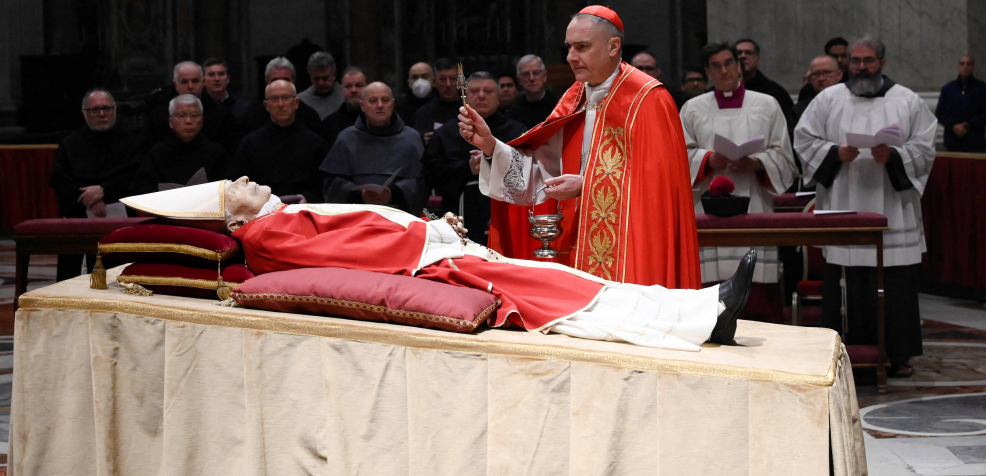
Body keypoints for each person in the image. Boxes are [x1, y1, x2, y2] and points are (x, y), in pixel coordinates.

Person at [119, 180, 758, 350]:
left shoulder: (278, 215)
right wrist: (430, 239)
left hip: (432, 252)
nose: (247, 181)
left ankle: (702, 308)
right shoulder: (267, 234)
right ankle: (703, 315)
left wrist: (428, 230)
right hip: (430, 268)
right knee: (560, 292)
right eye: (236, 186)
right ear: (230, 217)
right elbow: (347, 254)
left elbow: (362, 227)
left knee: (566, 282)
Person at [458, 6, 700, 288]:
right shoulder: (576, 97)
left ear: (613, 46)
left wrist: (586, 185)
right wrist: (490, 146)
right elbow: (541, 172)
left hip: (632, 253)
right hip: (574, 247)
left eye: (582, 47)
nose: (571, 57)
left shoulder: (647, 98)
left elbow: (659, 189)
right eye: (569, 47)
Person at [794, 37, 937, 377]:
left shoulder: (907, 100)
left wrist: (895, 156)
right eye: (856, 61)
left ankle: (897, 355)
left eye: (869, 60)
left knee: (895, 284)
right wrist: (834, 153)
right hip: (844, 203)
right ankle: (842, 357)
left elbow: (925, 146)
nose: (861, 67)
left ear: (882, 63)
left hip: (892, 209)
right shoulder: (829, 99)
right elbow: (804, 139)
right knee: (849, 282)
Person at [681, 43, 797, 319]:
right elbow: (677, 155)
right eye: (716, 66)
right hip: (707, 204)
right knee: (711, 291)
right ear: (708, 72)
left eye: (729, 63)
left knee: (756, 292)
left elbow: (785, 155)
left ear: (739, 66)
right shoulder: (692, 108)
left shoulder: (766, 104)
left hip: (754, 200)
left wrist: (757, 163)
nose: (725, 70)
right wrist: (706, 159)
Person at [50, 88, 145, 280]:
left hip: (119, 220)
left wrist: (104, 191)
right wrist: (88, 200)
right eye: (95, 110)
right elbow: (60, 180)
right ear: (84, 113)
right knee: (71, 279)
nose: (102, 114)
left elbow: (136, 178)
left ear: (115, 110)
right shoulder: (69, 144)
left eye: (107, 108)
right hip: (78, 220)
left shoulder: (134, 143)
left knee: (117, 279)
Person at [422, 72, 526, 243]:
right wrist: (467, 168)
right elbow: (429, 174)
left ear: (498, 96)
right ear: (465, 96)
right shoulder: (445, 133)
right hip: (458, 213)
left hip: (505, 210)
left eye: (488, 91)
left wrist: (494, 160)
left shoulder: (517, 131)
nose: (481, 95)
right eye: (475, 91)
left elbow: (528, 170)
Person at [321, 82, 427, 214]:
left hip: (401, 216)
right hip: (355, 216)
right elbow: (331, 185)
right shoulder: (346, 138)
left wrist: (393, 194)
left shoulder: (411, 138)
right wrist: (360, 195)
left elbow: (423, 184)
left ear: (393, 104)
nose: (380, 105)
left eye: (385, 100)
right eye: (373, 101)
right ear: (362, 106)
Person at [232, 79, 328, 203]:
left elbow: (324, 185)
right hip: (262, 211)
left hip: (304, 209)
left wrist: (308, 198)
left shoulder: (316, 144)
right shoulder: (249, 144)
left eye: (286, 98)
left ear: (296, 103)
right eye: (275, 99)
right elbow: (240, 187)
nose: (281, 104)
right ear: (266, 106)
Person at [130, 94, 228, 194]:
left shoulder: (216, 153)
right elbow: (140, 189)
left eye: (194, 115)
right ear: (171, 122)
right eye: (181, 115)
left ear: (201, 121)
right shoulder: (156, 155)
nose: (188, 121)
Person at [734, 39, 796, 135]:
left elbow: (787, 129)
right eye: (738, 53)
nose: (743, 56)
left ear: (758, 60)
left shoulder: (776, 92)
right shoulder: (718, 91)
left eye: (748, 52)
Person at [248, 57, 323, 134]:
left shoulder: (310, 117)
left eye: (285, 80)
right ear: (267, 82)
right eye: (275, 80)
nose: (281, 84)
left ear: (294, 82)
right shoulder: (253, 118)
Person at [935, 54, 986, 153]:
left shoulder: (983, 89)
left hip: (975, 141)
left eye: (968, 64)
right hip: (953, 141)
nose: (965, 66)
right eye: (962, 63)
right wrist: (953, 126)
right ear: (958, 67)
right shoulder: (948, 89)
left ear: (973, 67)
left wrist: (969, 125)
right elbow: (940, 112)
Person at [201, 57, 253, 156]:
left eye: (221, 74)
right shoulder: (198, 109)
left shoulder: (243, 108)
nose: (217, 79)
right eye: (211, 75)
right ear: (204, 80)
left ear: (228, 79)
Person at [148, 62, 205, 142]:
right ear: (175, 84)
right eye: (184, 82)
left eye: (195, 81)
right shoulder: (159, 115)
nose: (190, 86)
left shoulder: (217, 111)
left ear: (203, 82)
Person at [414, 58, 462, 143]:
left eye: (453, 79)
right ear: (434, 82)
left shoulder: (470, 110)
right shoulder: (424, 113)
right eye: (443, 79)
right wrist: (423, 140)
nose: (448, 84)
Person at [507, 55, 559, 129]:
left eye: (536, 73)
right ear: (519, 80)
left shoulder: (559, 107)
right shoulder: (513, 112)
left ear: (544, 76)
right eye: (525, 74)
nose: (531, 78)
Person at [319, 66, 368, 147]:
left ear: (367, 88)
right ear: (342, 89)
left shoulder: (376, 120)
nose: (353, 90)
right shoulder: (328, 125)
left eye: (359, 85)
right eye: (348, 86)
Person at [798, 38, 850, 104]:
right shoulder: (809, 88)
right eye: (835, 56)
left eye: (844, 56)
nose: (840, 60)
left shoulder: (854, 84)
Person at [297, 51, 344, 121]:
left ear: (334, 74)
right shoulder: (301, 101)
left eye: (325, 78)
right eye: (316, 78)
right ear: (310, 76)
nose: (321, 83)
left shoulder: (346, 96)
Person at [794, 55, 843, 120]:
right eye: (815, 74)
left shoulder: (851, 103)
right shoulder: (799, 110)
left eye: (827, 72)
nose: (821, 78)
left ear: (839, 74)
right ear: (810, 78)